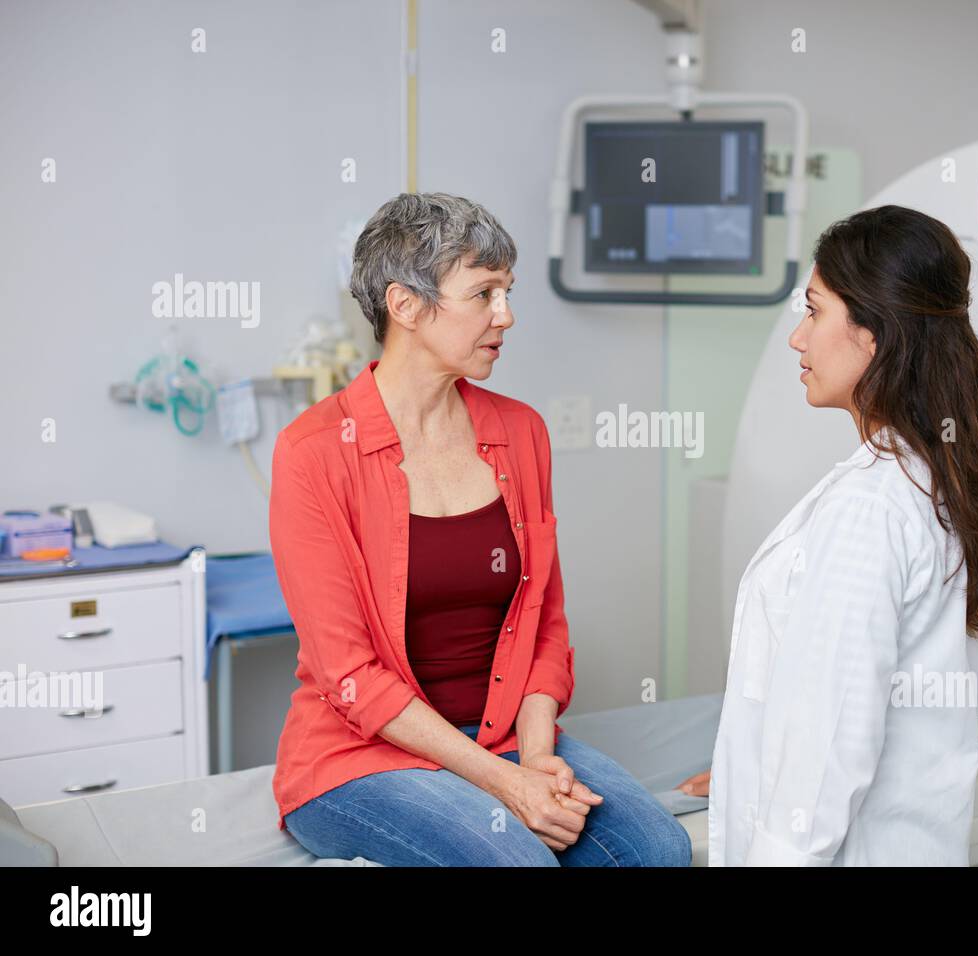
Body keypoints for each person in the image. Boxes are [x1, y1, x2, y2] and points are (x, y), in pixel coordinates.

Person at [271, 192, 692, 867]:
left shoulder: (518, 431)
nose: (507, 315)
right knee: (519, 862)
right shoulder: (315, 450)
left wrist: (535, 757)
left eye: (508, 291)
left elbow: (545, 622)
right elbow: (347, 673)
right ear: (405, 306)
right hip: (359, 755)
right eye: (484, 293)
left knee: (658, 851)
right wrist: (507, 786)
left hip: (501, 736)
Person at [681, 205, 978, 865]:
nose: (797, 339)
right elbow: (855, 698)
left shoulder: (870, 508)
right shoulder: (930, 476)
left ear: (874, 334)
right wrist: (753, 770)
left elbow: (832, 737)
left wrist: (780, 828)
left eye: (814, 311)